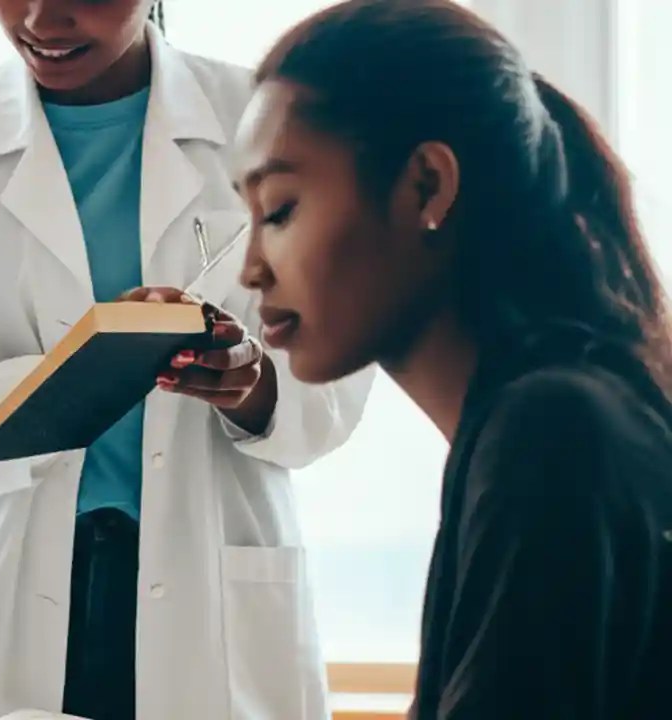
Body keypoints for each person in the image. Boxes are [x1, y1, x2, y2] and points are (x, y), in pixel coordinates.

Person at [0, 1, 373, 718]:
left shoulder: (262, 121)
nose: (41, 18)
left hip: (207, 580)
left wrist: (253, 386)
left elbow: (339, 366)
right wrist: (79, 371)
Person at [233, 1, 672, 717]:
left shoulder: (551, 432)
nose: (252, 268)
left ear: (427, 186)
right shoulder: (535, 419)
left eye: (280, 210)